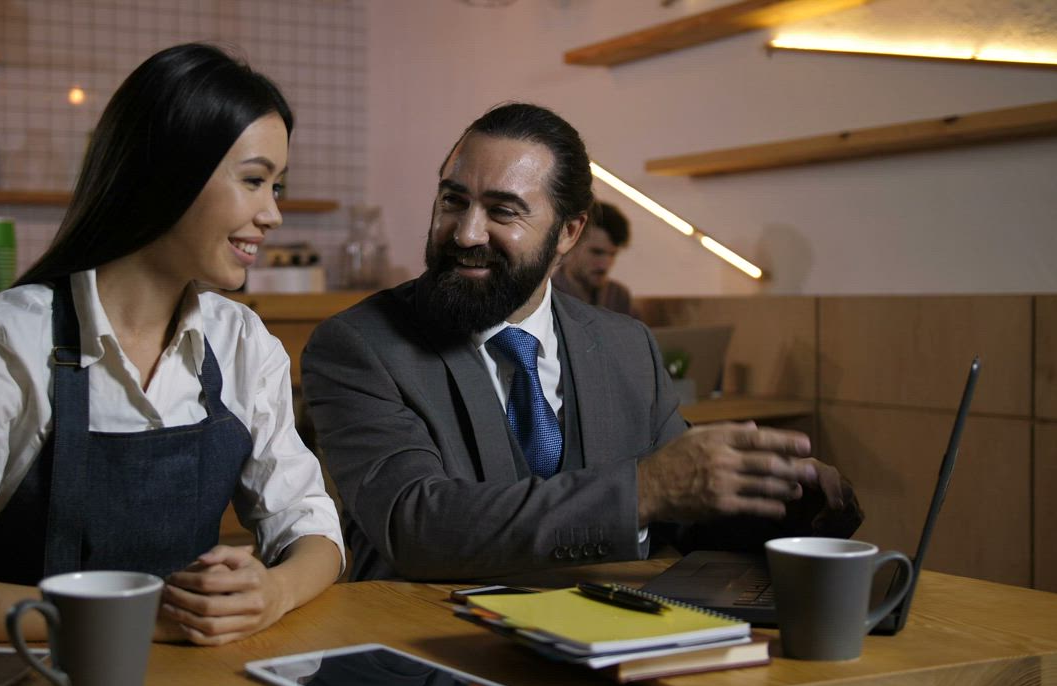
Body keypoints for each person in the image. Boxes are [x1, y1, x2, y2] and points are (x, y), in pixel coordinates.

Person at [0, 44, 344, 644]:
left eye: (277, 187)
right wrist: (142, 617)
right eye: (255, 181)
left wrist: (273, 592)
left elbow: (313, 529)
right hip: (40, 684)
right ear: (166, 173)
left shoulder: (243, 342)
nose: (272, 214)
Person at [302, 103, 860, 582]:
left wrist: (783, 496)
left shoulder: (626, 346)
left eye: (502, 211)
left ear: (568, 233)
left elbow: (683, 515)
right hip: (431, 664)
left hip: (608, 656)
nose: (467, 233)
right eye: (453, 202)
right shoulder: (359, 344)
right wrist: (646, 488)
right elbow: (413, 524)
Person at [551, 201, 634, 316]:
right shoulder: (545, 297)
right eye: (596, 252)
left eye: (612, 254)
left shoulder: (618, 296)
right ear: (571, 245)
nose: (605, 264)